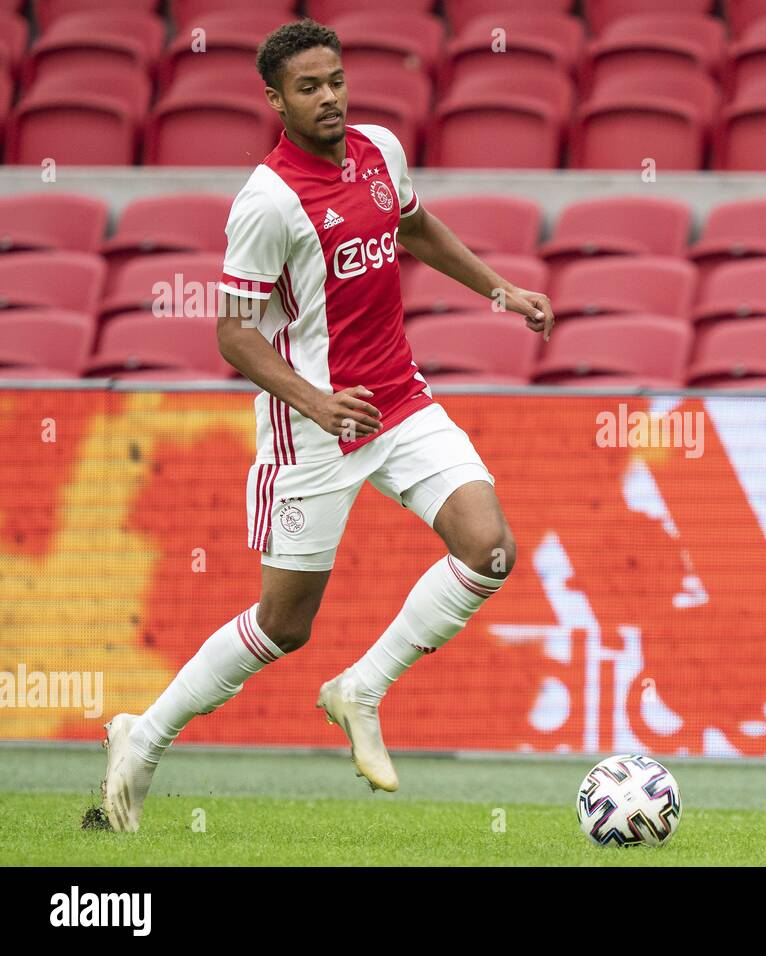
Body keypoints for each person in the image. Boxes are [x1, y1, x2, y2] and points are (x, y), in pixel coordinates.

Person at [100, 19, 554, 833]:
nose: (330, 98)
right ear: (275, 100)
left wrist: (502, 290)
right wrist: (315, 401)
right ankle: (144, 736)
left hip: (400, 401)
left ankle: (363, 689)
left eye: (336, 80)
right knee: (285, 625)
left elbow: (413, 227)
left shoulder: (380, 149)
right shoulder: (267, 201)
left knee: (489, 547)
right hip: (311, 428)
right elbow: (232, 332)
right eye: (309, 88)